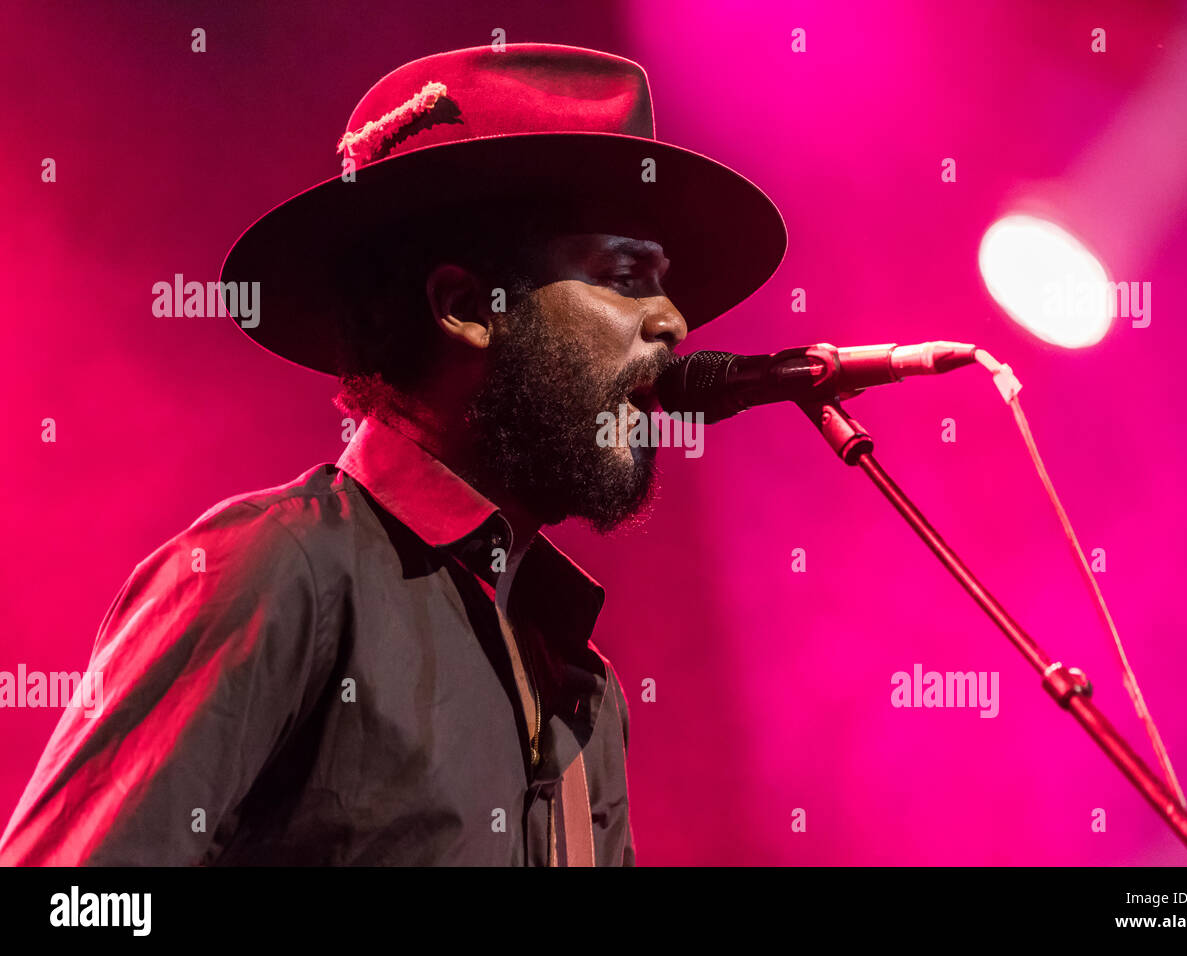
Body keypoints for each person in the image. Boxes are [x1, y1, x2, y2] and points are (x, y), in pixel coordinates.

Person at [0, 42, 785, 865]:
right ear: (465, 308)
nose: (674, 323)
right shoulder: (278, 571)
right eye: (624, 275)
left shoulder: (580, 682)